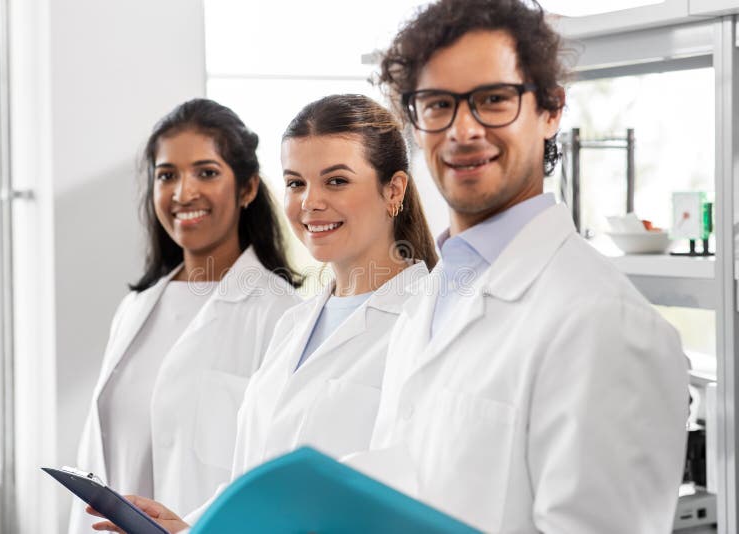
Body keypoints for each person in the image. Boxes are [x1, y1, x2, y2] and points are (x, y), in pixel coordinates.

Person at [349, 1, 690, 533]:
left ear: (551, 110)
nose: (463, 130)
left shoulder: (607, 324)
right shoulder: (428, 299)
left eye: (493, 99)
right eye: (438, 104)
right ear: (415, 122)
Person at [88, 94, 438, 533]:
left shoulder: (427, 323)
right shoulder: (296, 324)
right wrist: (189, 526)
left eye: (336, 181)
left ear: (394, 190)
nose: (310, 202)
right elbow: (257, 472)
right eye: (295, 183)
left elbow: (399, 497)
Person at [69, 98, 302, 534]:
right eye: (167, 175)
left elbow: (274, 480)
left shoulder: (282, 315)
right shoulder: (136, 308)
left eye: (206, 172)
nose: (182, 193)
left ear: (248, 188)